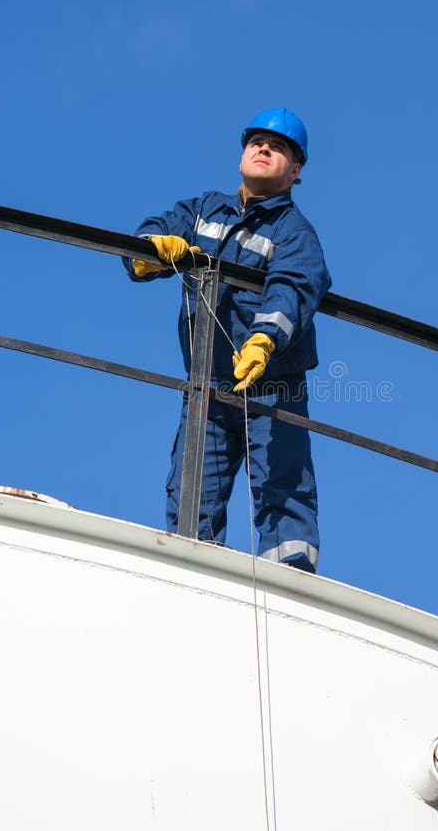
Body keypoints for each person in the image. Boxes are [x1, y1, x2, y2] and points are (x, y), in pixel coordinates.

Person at [123, 108, 331, 573]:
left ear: (295, 172)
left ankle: (292, 584)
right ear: (242, 154)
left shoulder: (294, 233)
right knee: (192, 491)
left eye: (277, 147)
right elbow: (153, 231)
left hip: (273, 385)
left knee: (283, 487)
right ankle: (196, 575)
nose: (263, 149)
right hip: (209, 384)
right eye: (257, 142)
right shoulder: (203, 210)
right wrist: (150, 252)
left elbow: (294, 286)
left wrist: (264, 339)